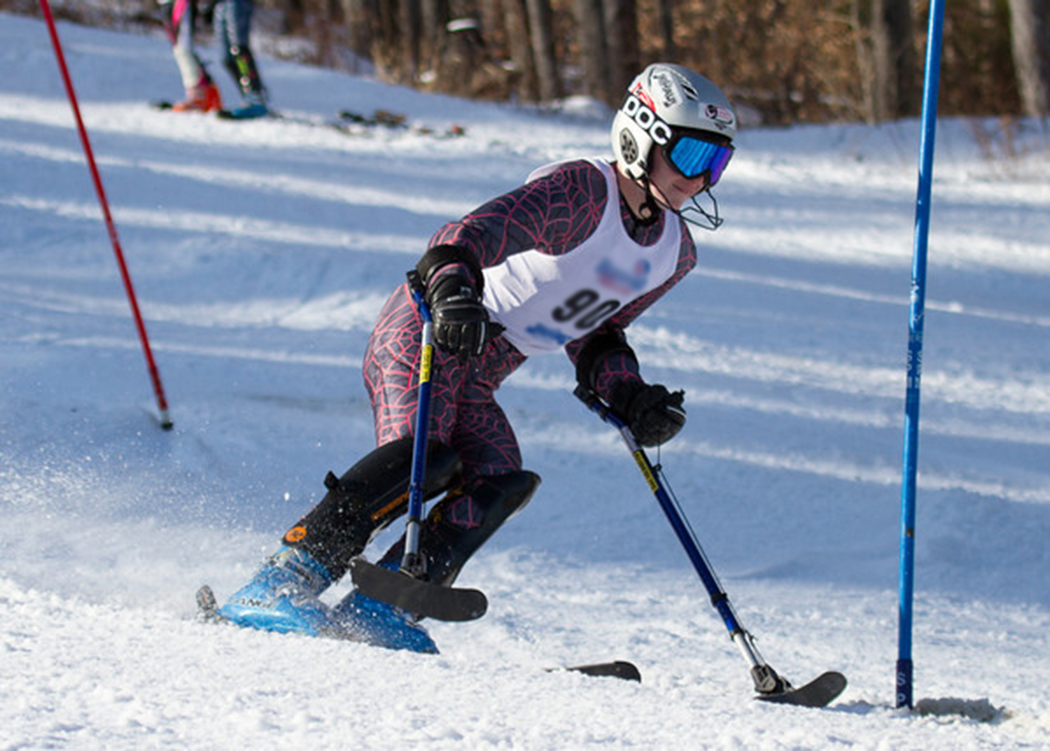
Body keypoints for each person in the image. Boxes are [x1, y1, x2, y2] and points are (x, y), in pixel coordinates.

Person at [216, 63, 738, 651]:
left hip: (480, 370)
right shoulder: (581, 195)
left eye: (717, 164)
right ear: (638, 134)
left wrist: (632, 396)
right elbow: (465, 235)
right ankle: (279, 580)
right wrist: (455, 291)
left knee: (498, 479)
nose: (700, 180)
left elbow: (597, 336)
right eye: (691, 156)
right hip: (430, 332)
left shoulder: (673, 253)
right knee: (424, 457)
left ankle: (379, 606)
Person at [159, 0, 269, 118]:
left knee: (238, 49)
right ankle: (248, 98)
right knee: (226, 58)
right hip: (219, 3)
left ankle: (255, 99)